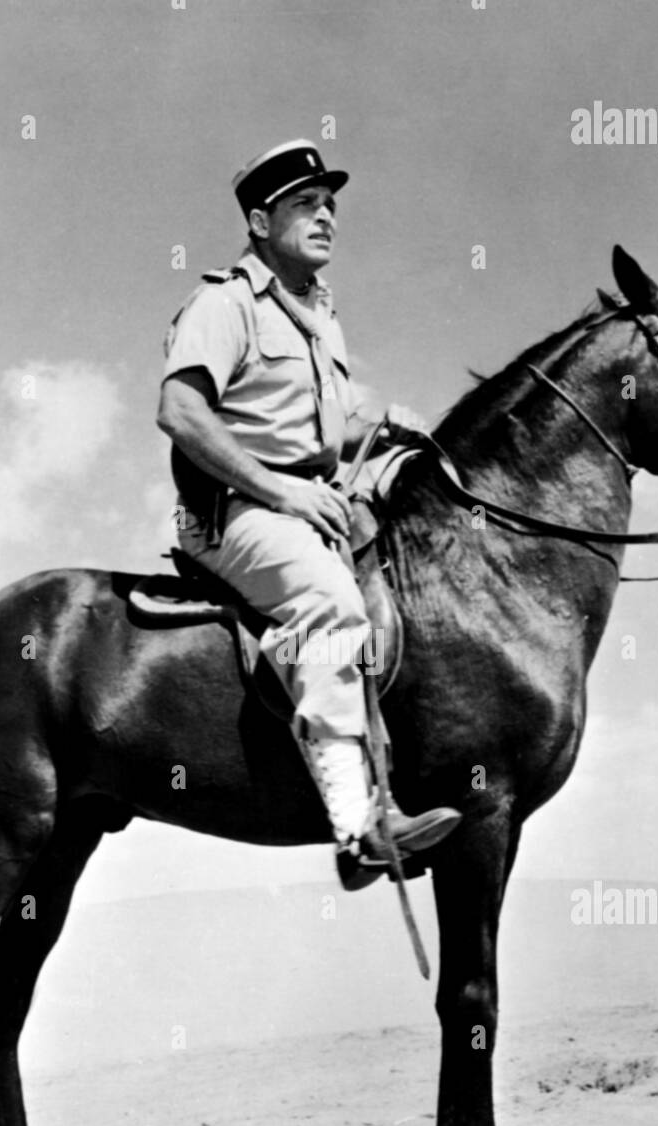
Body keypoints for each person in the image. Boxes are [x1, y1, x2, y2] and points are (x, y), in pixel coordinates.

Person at [152, 138, 460, 887]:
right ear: (259, 221)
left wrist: (384, 422)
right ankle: (359, 833)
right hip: (232, 509)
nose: (325, 217)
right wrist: (280, 490)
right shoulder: (224, 303)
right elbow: (179, 411)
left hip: (308, 499)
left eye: (329, 205)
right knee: (329, 603)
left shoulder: (320, 316)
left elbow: (321, 432)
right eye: (304, 205)